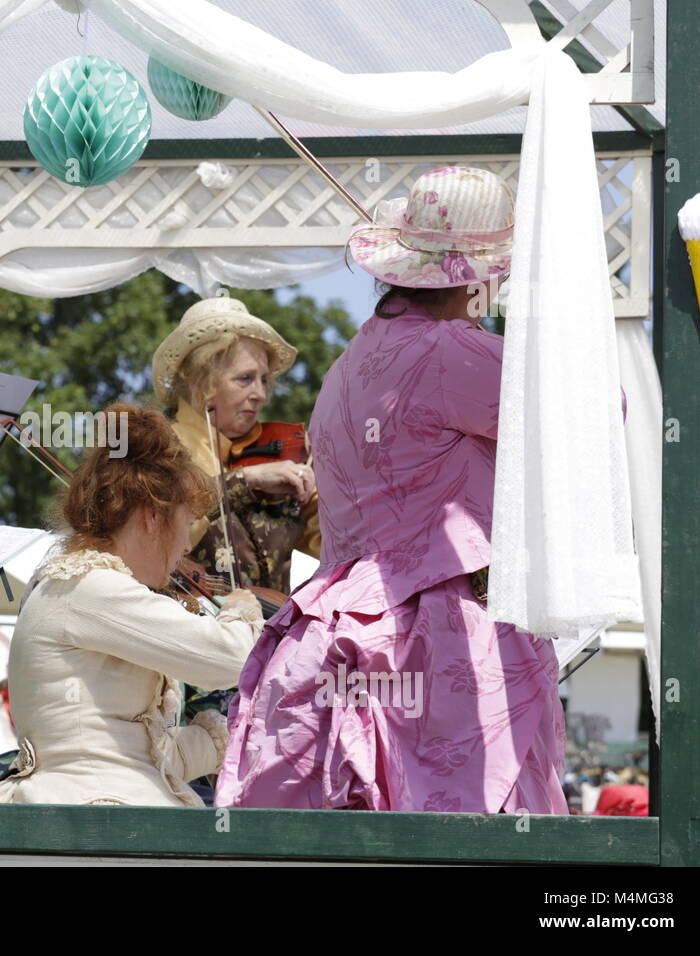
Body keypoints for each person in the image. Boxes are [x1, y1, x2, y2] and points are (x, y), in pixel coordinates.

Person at [217, 166, 568, 814]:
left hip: (328, 632)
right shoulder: (453, 352)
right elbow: (600, 410)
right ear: (479, 274)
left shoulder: (347, 366)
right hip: (438, 632)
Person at [0, 404, 262, 807]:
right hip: (93, 814)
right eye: (185, 522)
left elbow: (138, 756)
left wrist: (221, 738)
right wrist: (243, 609)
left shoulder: (83, 586)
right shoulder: (90, 588)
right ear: (151, 517)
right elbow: (231, 660)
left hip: (107, 798)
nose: (188, 545)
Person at [152, 295, 320, 595]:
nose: (261, 395)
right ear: (197, 379)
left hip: (271, 630)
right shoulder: (160, 448)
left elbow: (329, 543)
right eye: (245, 379)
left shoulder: (282, 448)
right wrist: (246, 480)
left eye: (264, 380)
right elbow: (159, 535)